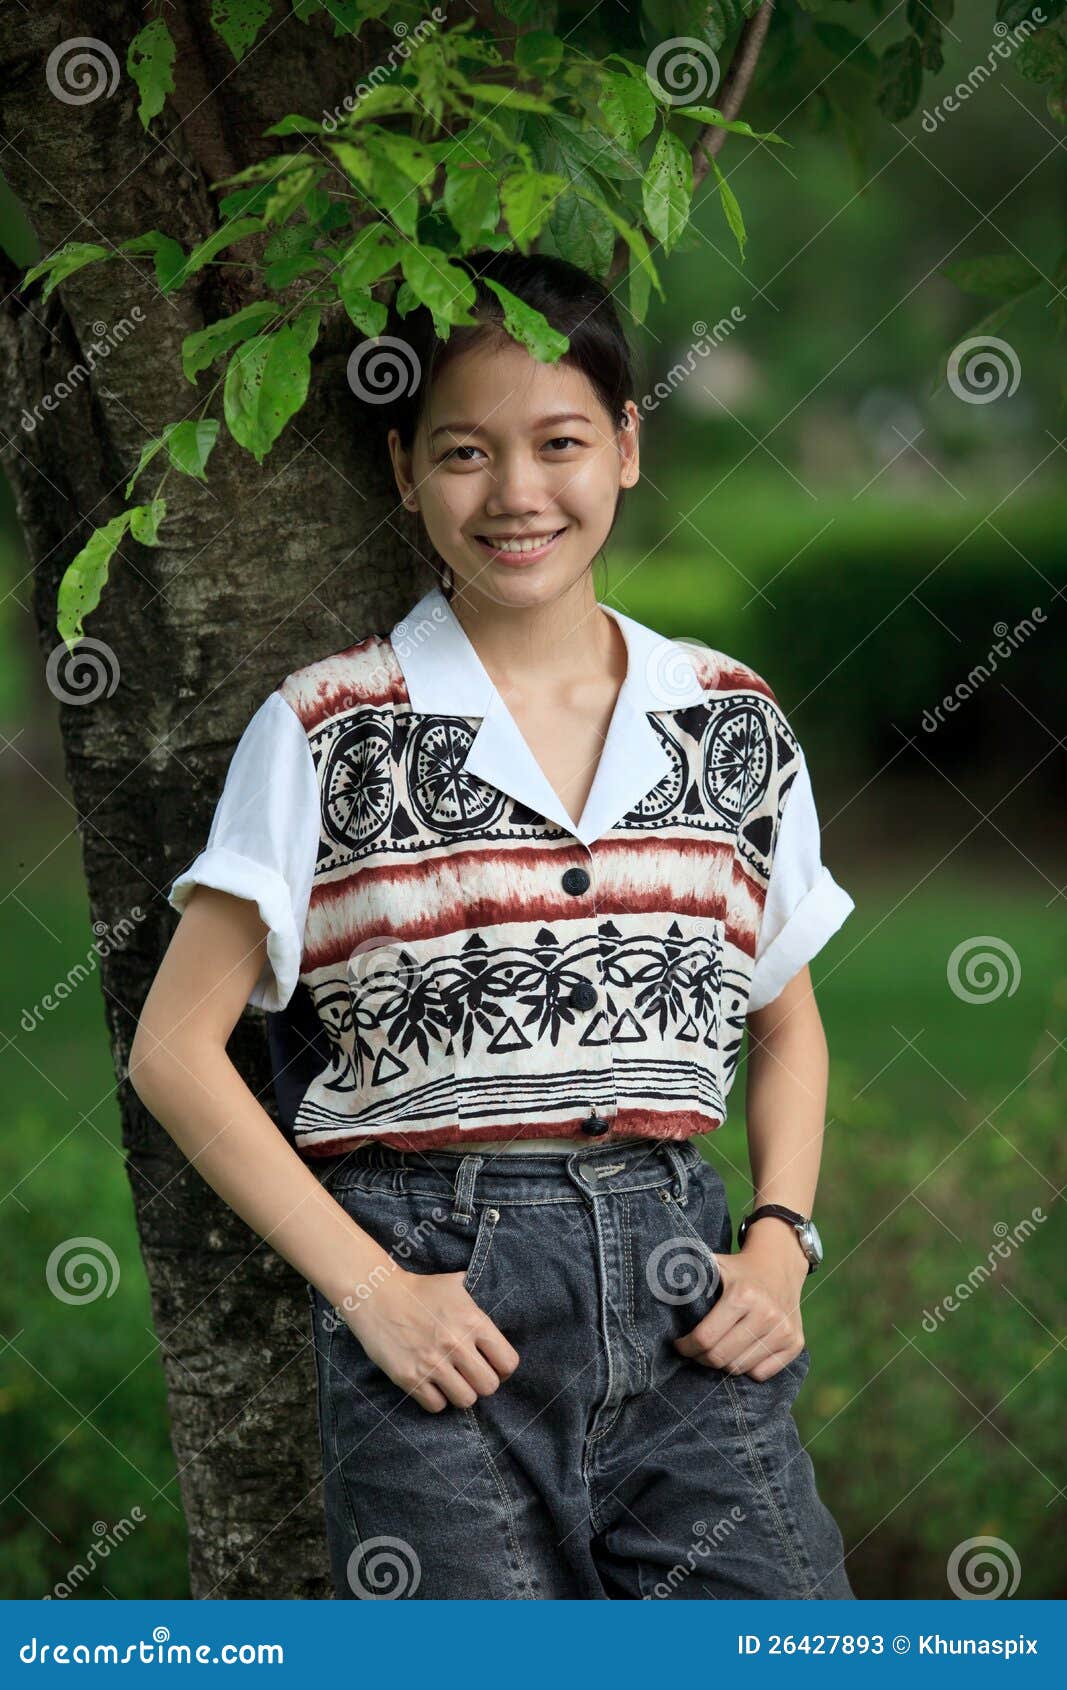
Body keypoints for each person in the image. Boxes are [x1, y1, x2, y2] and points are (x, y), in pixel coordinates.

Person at [130, 249, 857, 1601]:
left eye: (562, 442)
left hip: (687, 1301)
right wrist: (369, 1289)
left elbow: (791, 1019)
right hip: (440, 1308)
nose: (518, 493)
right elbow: (175, 1050)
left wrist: (781, 1236)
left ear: (628, 447)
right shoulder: (329, 729)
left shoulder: (733, 720)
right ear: (404, 468)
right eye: (465, 451)